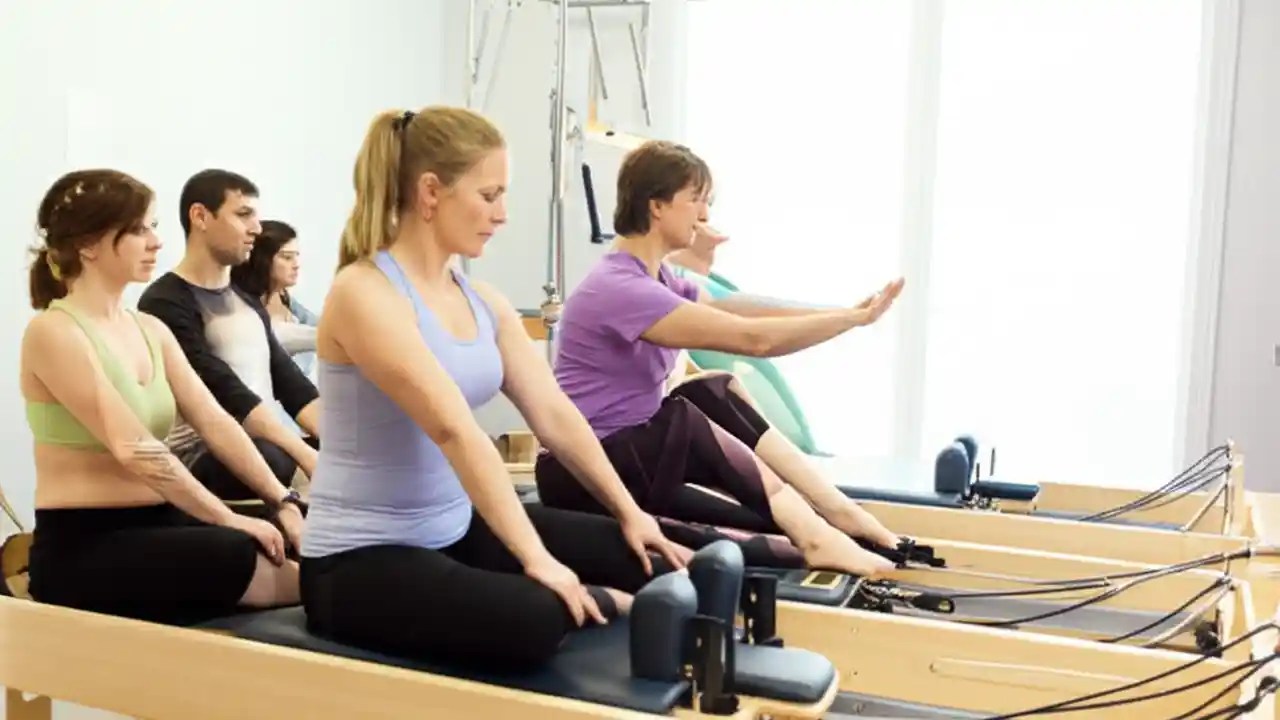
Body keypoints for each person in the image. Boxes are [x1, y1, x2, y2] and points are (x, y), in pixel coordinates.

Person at [300, 106, 688, 669]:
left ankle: (609, 590)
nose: (502, 214)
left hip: (454, 531)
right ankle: (597, 602)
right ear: (431, 192)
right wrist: (537, 558)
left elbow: (555, 415)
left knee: (640, 554)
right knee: (533, 616)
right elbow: (454, 430)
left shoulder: (484, 301)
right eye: (489, 195)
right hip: (358, 560)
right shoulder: (365, 293)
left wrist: (630, 512)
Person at [537, 140, 906, 577]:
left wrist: (846, 312)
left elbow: (740, 306)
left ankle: (835, 513)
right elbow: (753, 340)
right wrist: (850, 323)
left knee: (712, 391)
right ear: (657, 205)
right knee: (682, 418)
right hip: (587, 471)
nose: (704, 214)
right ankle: (819, 537)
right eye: (695, 199)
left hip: (634, 458)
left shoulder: (658, 277)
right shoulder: (619, 287)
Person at [20, 169, 301, 625]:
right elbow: (136, 449)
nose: (155, 241)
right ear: (88, 245)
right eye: (138, 229)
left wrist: (285, 502)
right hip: (82, 547)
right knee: (236, 548)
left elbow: (216, 421)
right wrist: (228, 518)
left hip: (160, 524)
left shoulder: (150, 329)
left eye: (152, 227)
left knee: (298, 547)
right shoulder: (53, 331)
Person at [138, 170, 320, 504]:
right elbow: (223, 391)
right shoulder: (163, 301)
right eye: (243, 215)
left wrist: (342, 446)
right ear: (200, 216)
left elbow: (289, 381)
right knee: (277, 455)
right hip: (202, 455)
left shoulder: (246, 298)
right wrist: (304, 454)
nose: (257, 229)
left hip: (267, 446)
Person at [230, 219, 320, 380]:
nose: (296, 264)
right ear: (262, 260)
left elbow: (321, 328)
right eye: (286, 257)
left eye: (296, 256)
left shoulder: (288, 302)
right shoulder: (240, 309)